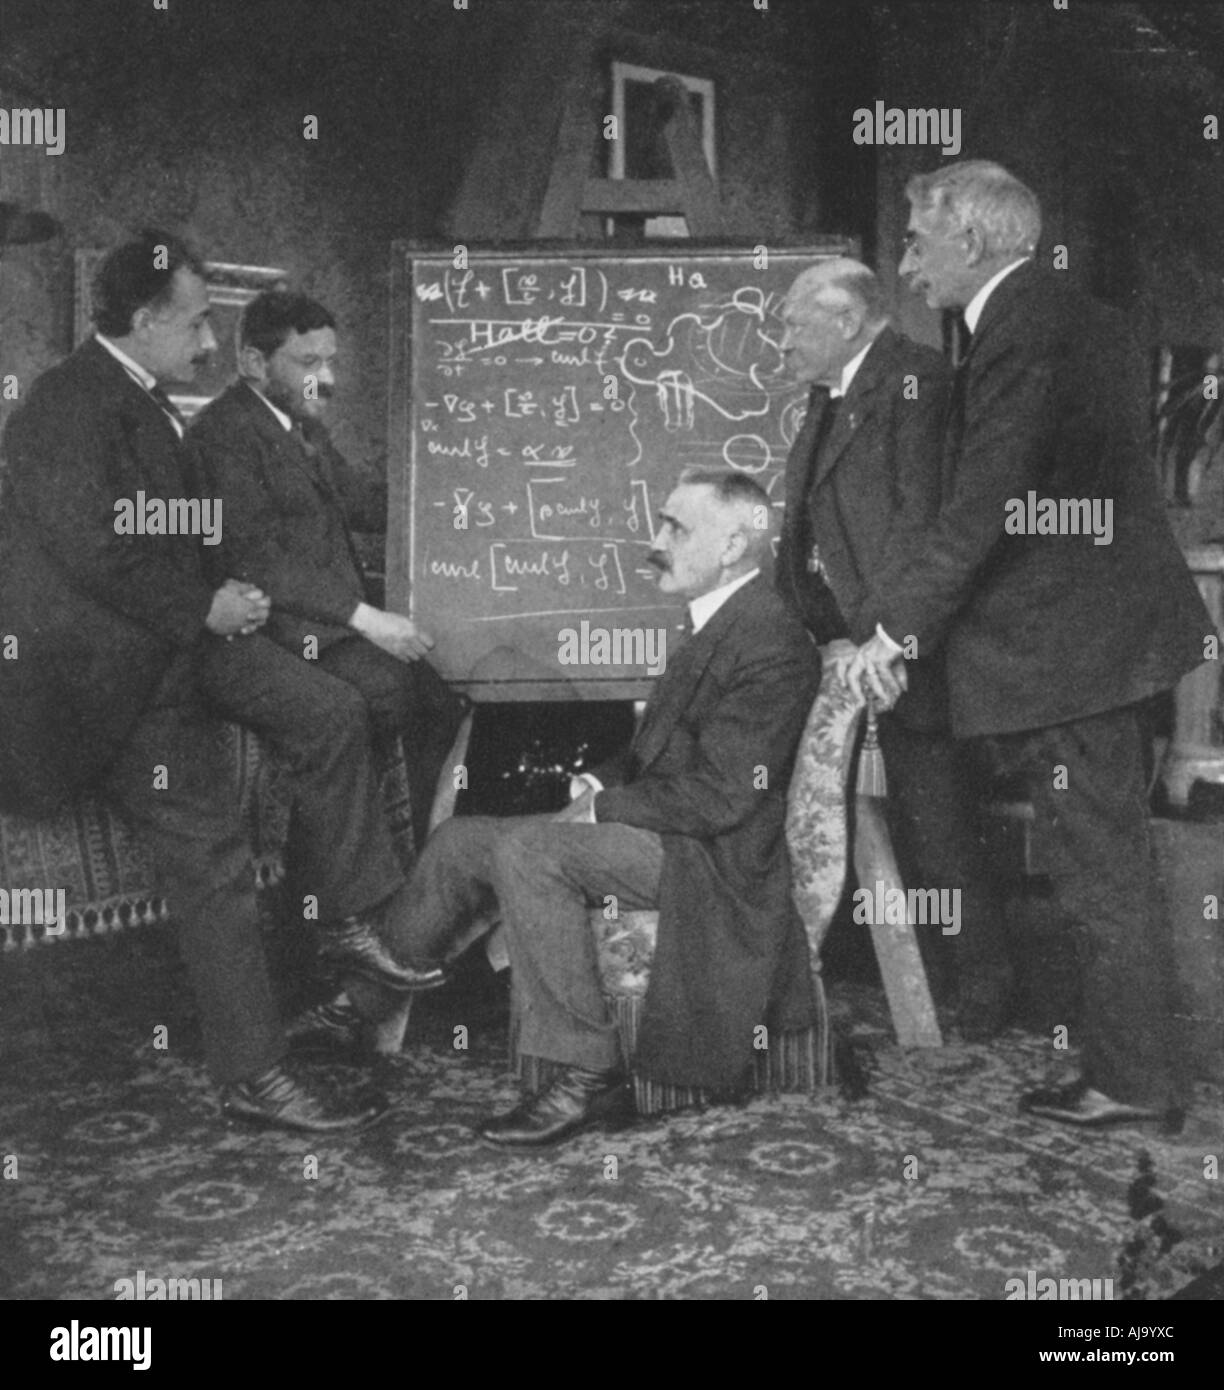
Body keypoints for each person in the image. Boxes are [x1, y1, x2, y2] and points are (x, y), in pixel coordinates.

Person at [847, 161, 1212, 1130]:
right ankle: (1130, 1069)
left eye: (918, 243)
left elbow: (980, 510)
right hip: (1098, 640)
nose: (907, 263)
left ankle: (1134, 1082)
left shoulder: (1022, 329)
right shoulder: (1060, 315)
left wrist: (890, 633)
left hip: (1078, 652)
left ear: (971, 241)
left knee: (1100, 871)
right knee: (1104, 862)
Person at [0, 231, 385, 1132]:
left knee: (332, 706)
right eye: (197, 322)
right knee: (211, 853)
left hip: (165, 645)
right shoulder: (64, 410)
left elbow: (161, 533)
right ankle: (255, 1069)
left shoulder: (141, 397)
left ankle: (347, 926)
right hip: (104, 681)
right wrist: (204, 607)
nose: (212, 344)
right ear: (142, 320)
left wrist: (231, 591)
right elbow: (96, 553)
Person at [385, 468, 821, 1147]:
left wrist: (603, 808)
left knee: (529, 850)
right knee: (461, 841)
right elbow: (659, 754)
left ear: (735, 543)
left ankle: (585, 1074)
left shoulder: (770, 640)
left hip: (711, 862)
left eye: (677, 527)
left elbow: (725, 795)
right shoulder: (715, 624)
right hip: (672, 834)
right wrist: (593, 782)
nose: (656, 541)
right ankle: (355, 1007)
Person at [186, 292, 468, 1004]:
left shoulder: (299, 427)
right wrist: (368, 618)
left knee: (438, 695)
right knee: (357, 706)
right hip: (274, 635)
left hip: (319, 631)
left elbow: (369, 501)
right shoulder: (223, 436)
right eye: (307, 361)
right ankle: (355, 921)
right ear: (253, 361)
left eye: (331, 361)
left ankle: (433, 893)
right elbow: (257, 558)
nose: (327, 377)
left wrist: (463, 485)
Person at [776, 257, 1011, 1037]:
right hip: (848, 647)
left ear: (847, 319)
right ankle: (931, 975)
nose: (781, 342)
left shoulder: (916, 380)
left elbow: (924, 521)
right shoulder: (834, 391)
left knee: (939, 814)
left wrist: (889, 641)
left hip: (904, 649)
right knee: (907, 813)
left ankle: (982, 990)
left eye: (792, 323)